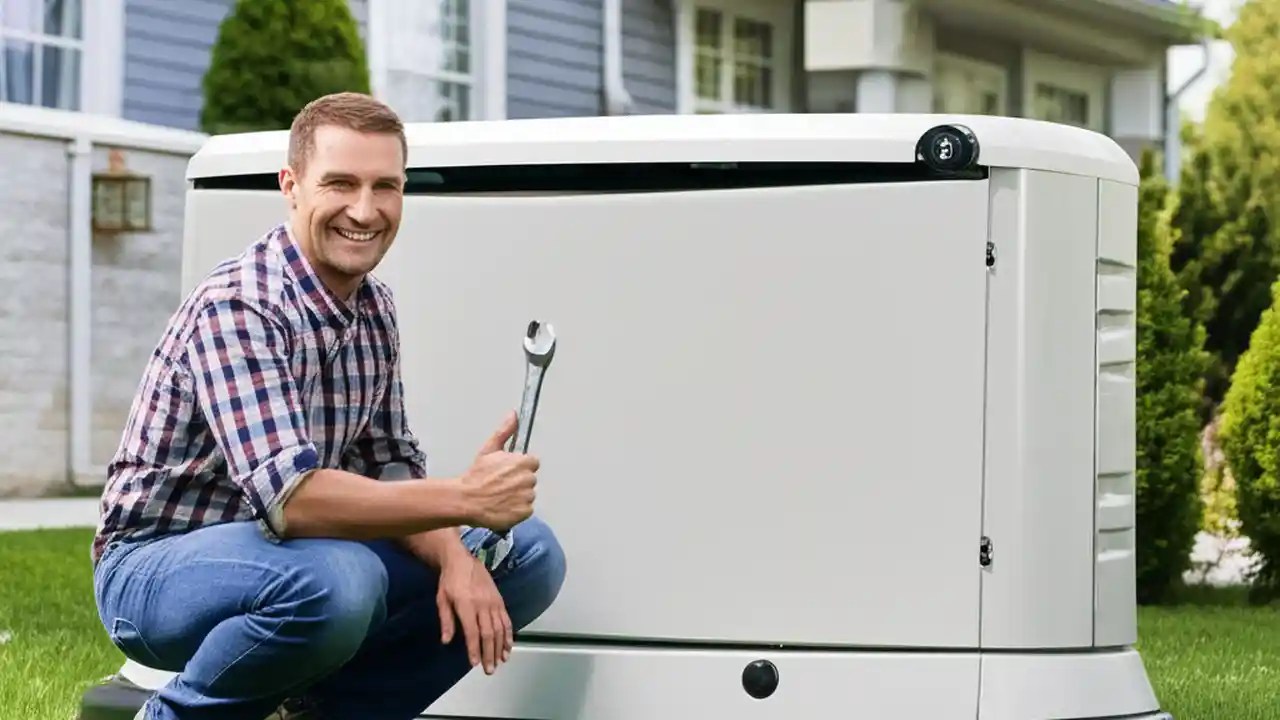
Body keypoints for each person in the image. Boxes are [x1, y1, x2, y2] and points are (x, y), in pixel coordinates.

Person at [91, 92, 567, 720]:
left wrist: (457, 555)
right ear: (291, 186)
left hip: (291, 557)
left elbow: (390, 466)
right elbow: (294, 502)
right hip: (154, 569)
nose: (364, 211)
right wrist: (467, 498)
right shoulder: (240, 306)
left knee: (525, 554)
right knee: (340, 580)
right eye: (340, 183)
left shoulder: (374, 311)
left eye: (385, 187)